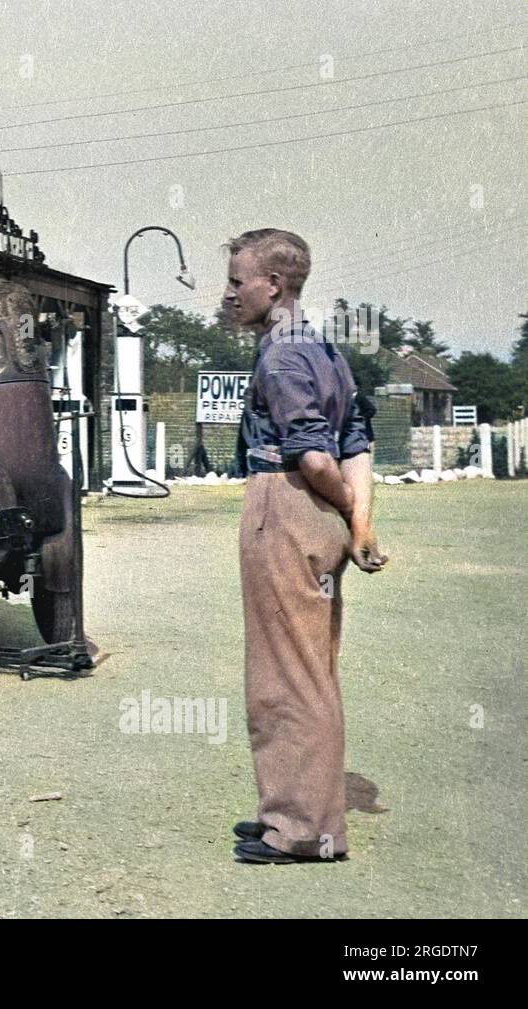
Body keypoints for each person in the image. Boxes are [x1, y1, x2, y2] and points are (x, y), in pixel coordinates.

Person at [224, 228, 388, 865]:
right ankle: (289, 812)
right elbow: (358, 447)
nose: (231, 293)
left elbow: (318, 456)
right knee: (307, 667)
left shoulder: (282, 357)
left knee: (286, 676)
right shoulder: (321, 348)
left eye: (239, 282)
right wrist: (360, 526)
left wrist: (350, 511)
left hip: (285, 506)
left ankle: (300, 831)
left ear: (275, 285)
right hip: (317, 516)